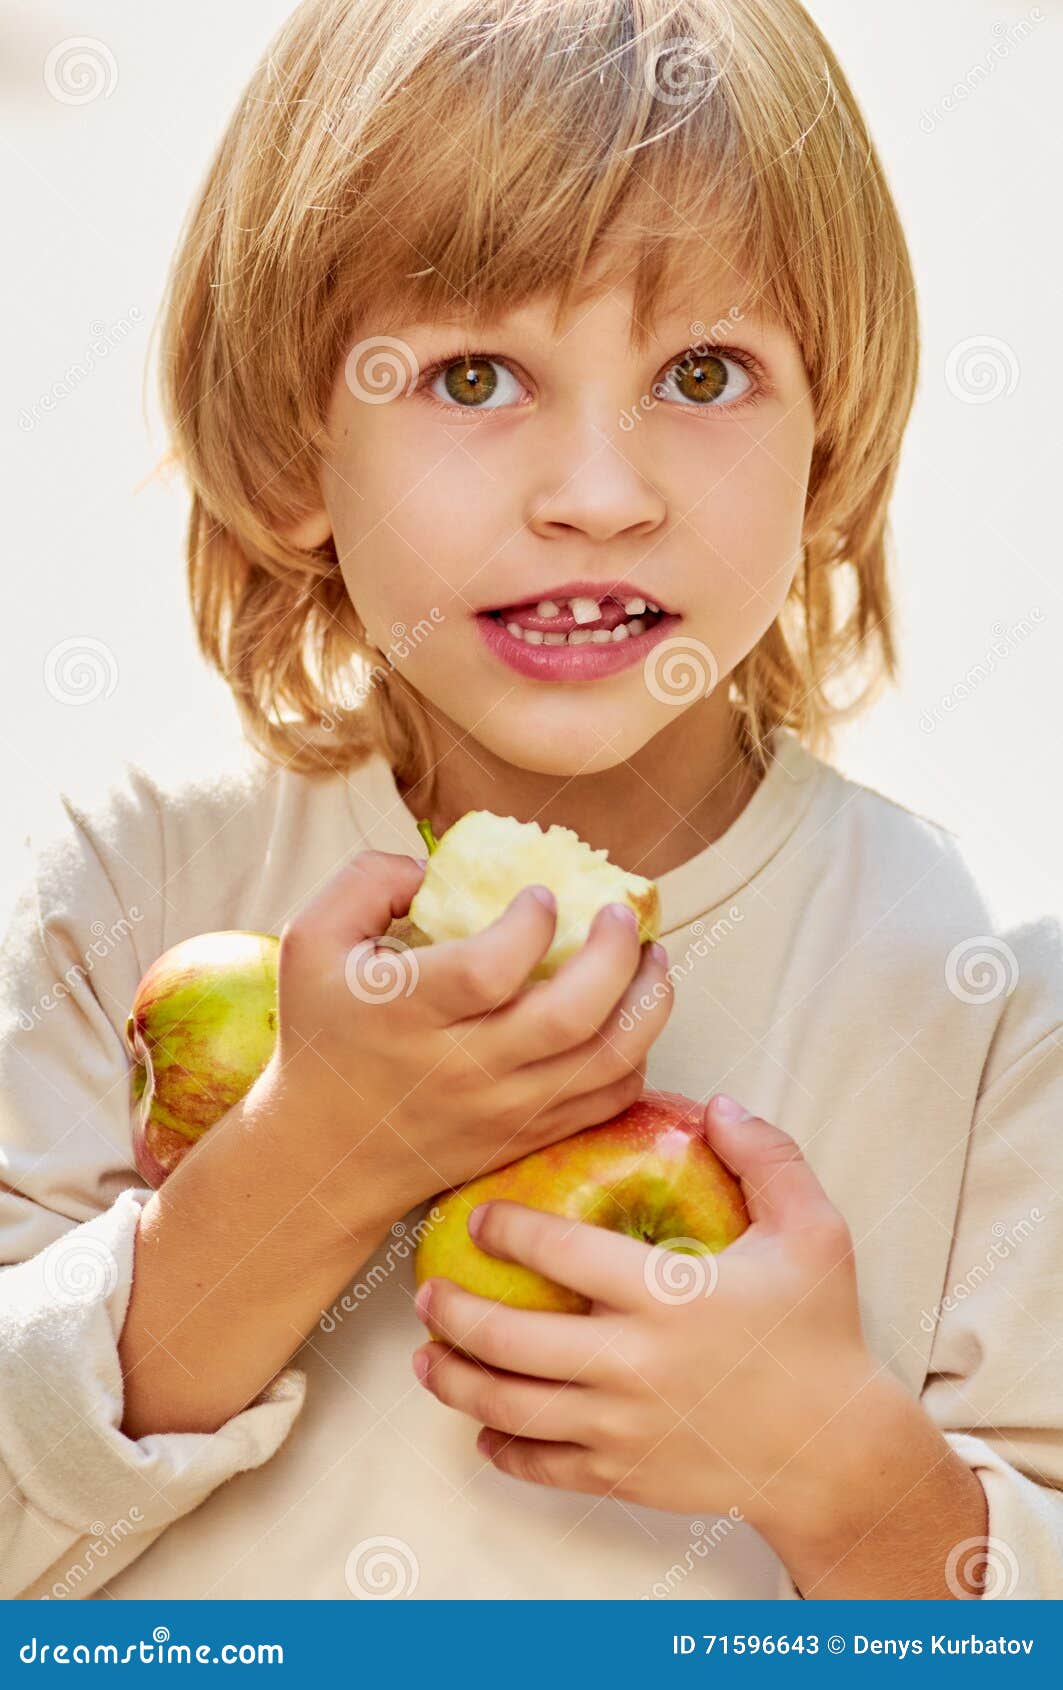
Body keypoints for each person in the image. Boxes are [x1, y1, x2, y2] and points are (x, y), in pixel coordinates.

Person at [2, 0, 1061, 1602]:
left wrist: (840, 1469)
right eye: (473, 373)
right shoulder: (125, 888)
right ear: (300, 442)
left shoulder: (980, 1008)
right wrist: (312, 1166)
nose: (598, 493)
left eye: (704, 372)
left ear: (829, 437)